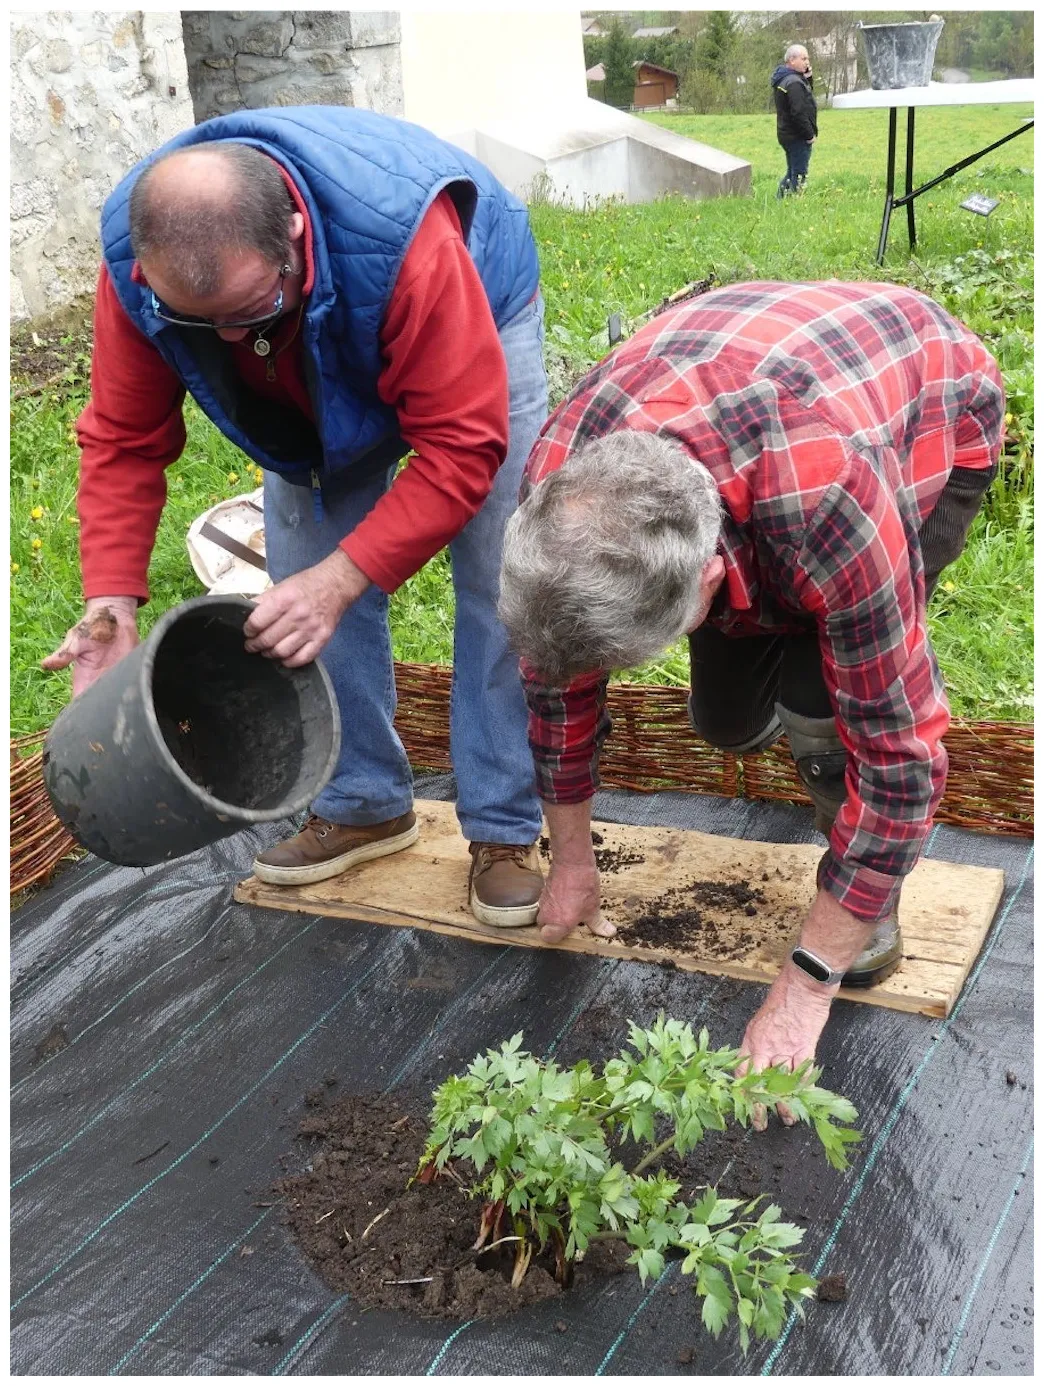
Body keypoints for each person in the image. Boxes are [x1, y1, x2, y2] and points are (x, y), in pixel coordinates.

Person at [498, 280, 1002, 1124]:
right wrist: (572, 857)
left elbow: (902, 761)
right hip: (742, 427)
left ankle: (857, 900)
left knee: (836, 707)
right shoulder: (563, 487)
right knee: (724, 723)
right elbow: (556, 690)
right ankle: (792, 679)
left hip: (924, 408)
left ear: (703, 579)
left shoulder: (831, 498)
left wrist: (807, 983)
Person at [42, 105, 549, 929]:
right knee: (297, 581)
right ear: (150, 275)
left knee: (501, 575)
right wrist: (111, 596)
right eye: (198, 324)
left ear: (295, 238)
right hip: (307, 347)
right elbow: (125, 440)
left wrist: (348, 575)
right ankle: (362, 804)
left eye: (246, 312)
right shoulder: (143, 267)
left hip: (477, 299)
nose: (225, 338)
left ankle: (502, 828)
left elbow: (462, 451)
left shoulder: (409, 249)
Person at [772, 44, 817, 198]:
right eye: (803, 58)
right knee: (799, 174)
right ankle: (794, 204)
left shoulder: (785, 79)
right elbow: (799, 112)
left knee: (792, 172)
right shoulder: (794, 83)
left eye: (807, 58)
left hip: (786, 134)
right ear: (792, 60)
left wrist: (808, 78)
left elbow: (806, 97)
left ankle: (780, 200)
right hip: (797, 136)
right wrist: (809, 134)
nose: (807, 62)